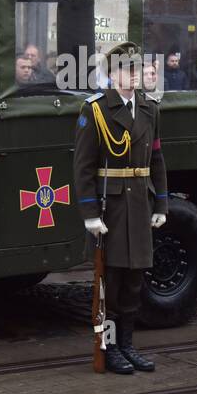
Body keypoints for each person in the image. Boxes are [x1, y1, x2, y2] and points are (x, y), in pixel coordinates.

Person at [74, 41, 168, 374]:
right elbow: (83, 168)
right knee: (110, 284)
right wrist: (89, 215)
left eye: (137, 69)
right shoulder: (96, 110)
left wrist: (162, 202)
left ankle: (127, 345)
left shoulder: (149, 109)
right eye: (127, 70)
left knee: (134, 280)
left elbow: (156, 158)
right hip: (110, 208)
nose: (134, 75)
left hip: (139, 204)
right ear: (112, 74)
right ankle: (109, 346)